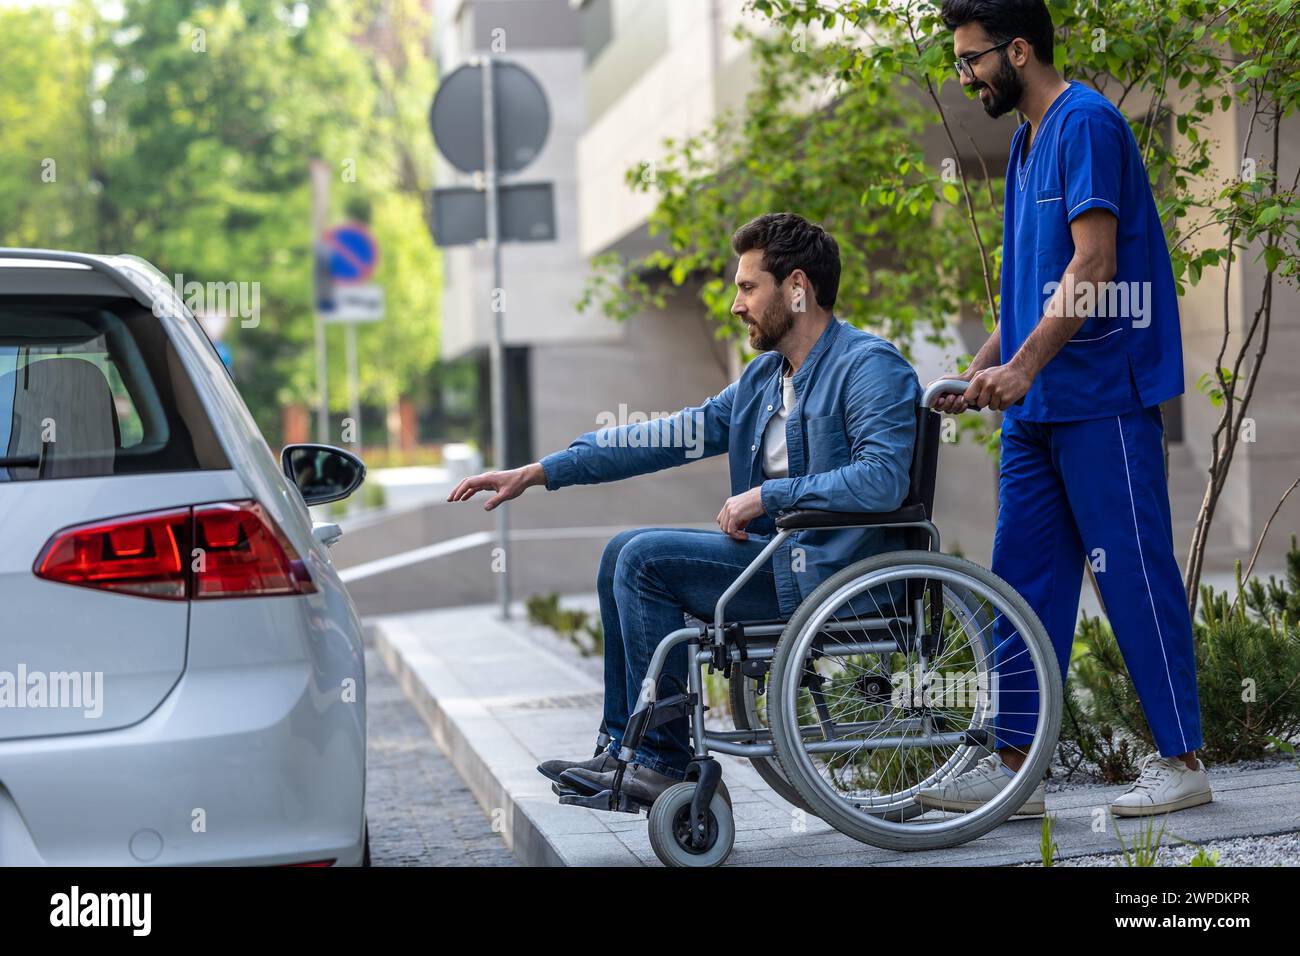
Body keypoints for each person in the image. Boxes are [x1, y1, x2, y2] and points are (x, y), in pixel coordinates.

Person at [447, 212, 921, 807]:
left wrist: (767, 495)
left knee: (645, 558)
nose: (735, 304)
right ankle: (623, 749)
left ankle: (661, 761)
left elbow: (880, 480)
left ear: (797, 288)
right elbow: (667, 436)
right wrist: (543, 471)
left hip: (836, 576)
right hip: (780, 565)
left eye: (748, 287)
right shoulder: (763, 380)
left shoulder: (868, 366)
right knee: (623, 550)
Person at [921, 0, 1210, 817]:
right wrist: (980, 371)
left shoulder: (1085, 124)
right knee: (1023, 581)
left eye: (973, 59)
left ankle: (1182, 759)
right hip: (1036, 410)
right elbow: (1030, 289)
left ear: (1020, 49)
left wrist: (1026, 367)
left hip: (1100, 400)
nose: (966, 75)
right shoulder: (1023, 142)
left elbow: (1094, 261)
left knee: (1133, 574)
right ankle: (1017, 769)